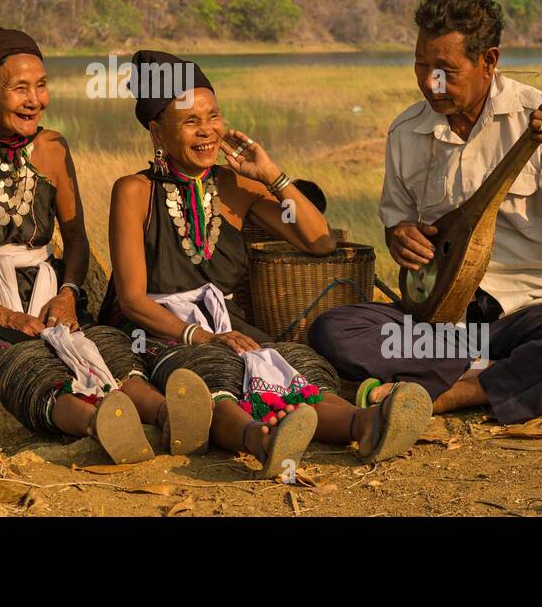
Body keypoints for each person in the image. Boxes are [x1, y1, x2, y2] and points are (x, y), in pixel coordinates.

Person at [309, 0, 542, 422]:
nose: (430, 82)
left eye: (446, 69)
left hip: (538, 312)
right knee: (337, 331)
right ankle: (526, 376)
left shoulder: (536, 117)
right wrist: (401, 239)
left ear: (489, 60)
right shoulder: (407, 132)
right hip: (451, 329)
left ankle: (449, 395)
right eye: (421, 66)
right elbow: (398, 226)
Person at [102, 50, 433, 477]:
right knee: (213, 377)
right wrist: (201, 337)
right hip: (158, 328)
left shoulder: (233, 186)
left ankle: (365, 424)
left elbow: (318, 240)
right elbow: (130, 299)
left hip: (229, 324)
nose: (207, 132)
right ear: (157, 133)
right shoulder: (132, 191)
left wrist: (271, 175)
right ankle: (261, 439)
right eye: (190, 122)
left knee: (291, 367)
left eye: (213, 116)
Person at [0, 22, 214, 463]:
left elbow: (77, 239)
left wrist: (68, 295)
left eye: (42, 86)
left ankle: (167, 415)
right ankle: (98, 422)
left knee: (103, 343)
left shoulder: (52, 148)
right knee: (24, 364)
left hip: (48, 293)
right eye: (20, 88)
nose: (35, 100)